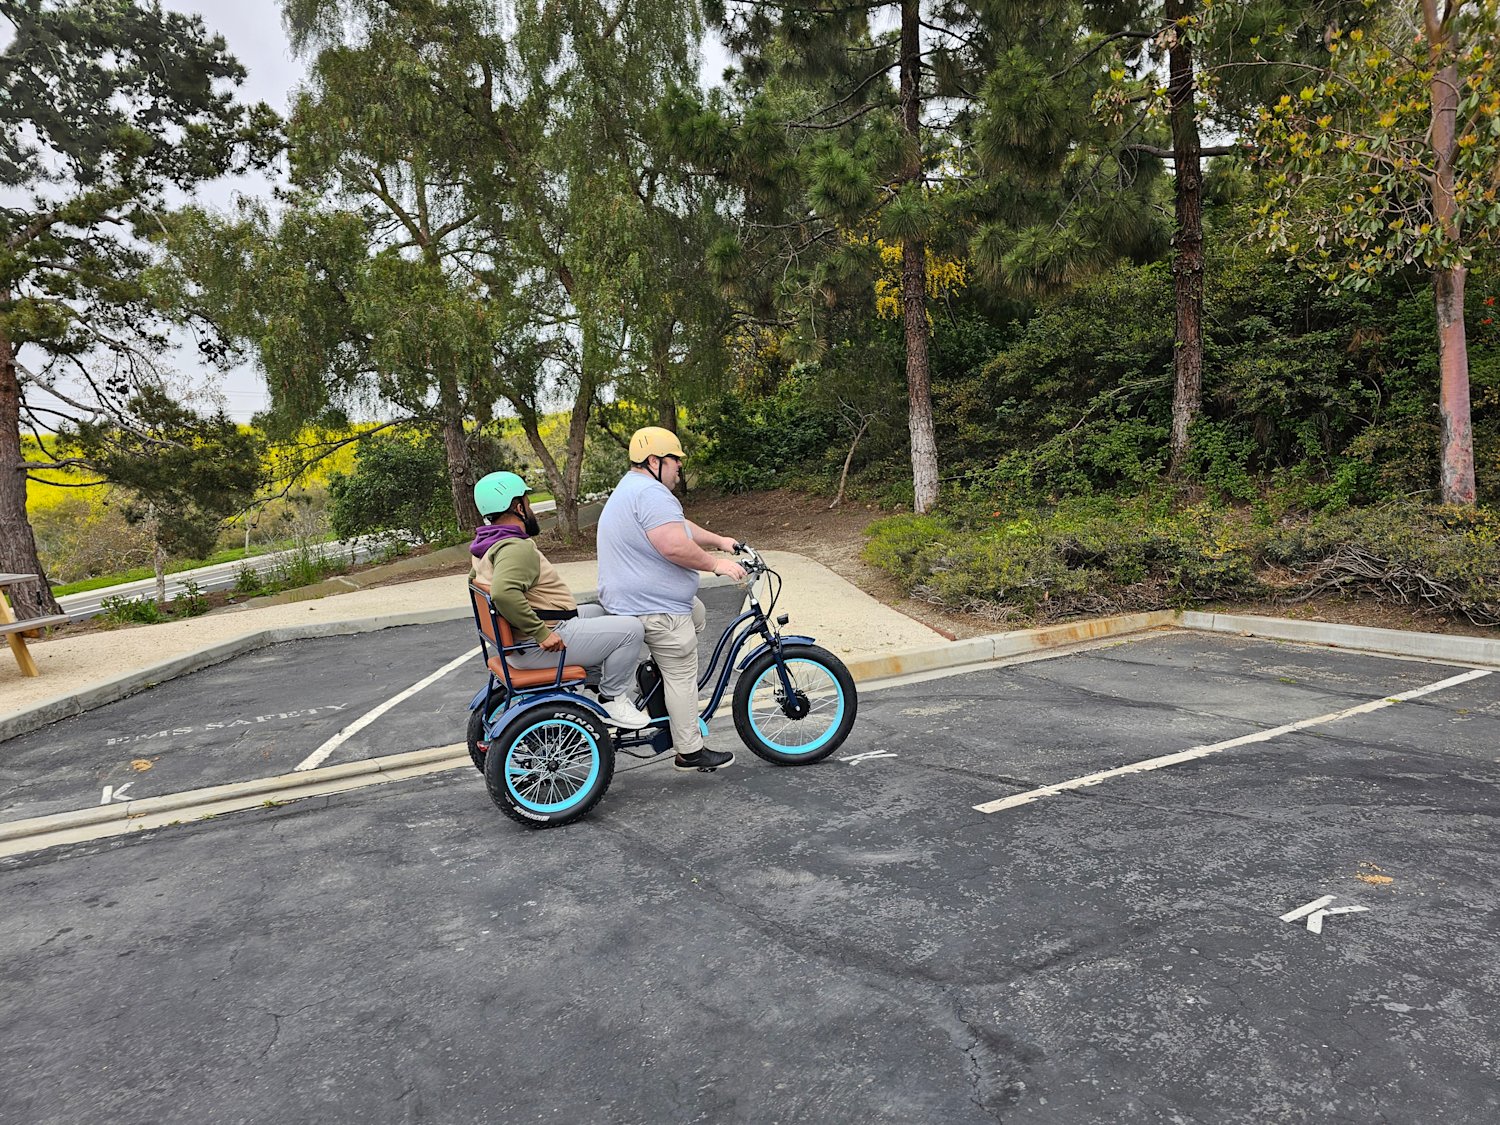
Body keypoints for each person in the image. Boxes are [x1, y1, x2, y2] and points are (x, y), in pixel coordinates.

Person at [596, 427, 746, 771]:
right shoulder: (651, 493)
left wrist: (720, 540)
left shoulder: (635, 487)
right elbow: (674, 545)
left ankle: (655, 678)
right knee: (681, 669)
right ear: (654, 461)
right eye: (675, 460)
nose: (679, 466)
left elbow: (679, 527)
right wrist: (717, 565)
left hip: (636, 599)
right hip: (652, 607)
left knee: (697, 612)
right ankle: (690, 750)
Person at [469, 471, 653, 731]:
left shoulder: (486, 544)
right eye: (527, 502)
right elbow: (502, 593)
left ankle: (594, 677)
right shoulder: (515, 547)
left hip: (519, 642)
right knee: (632, 630)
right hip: (538, 645)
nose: (532, 510)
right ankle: (612, 699)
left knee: (600, 612)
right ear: (517, 506)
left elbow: (480, 583)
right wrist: (541, 633)